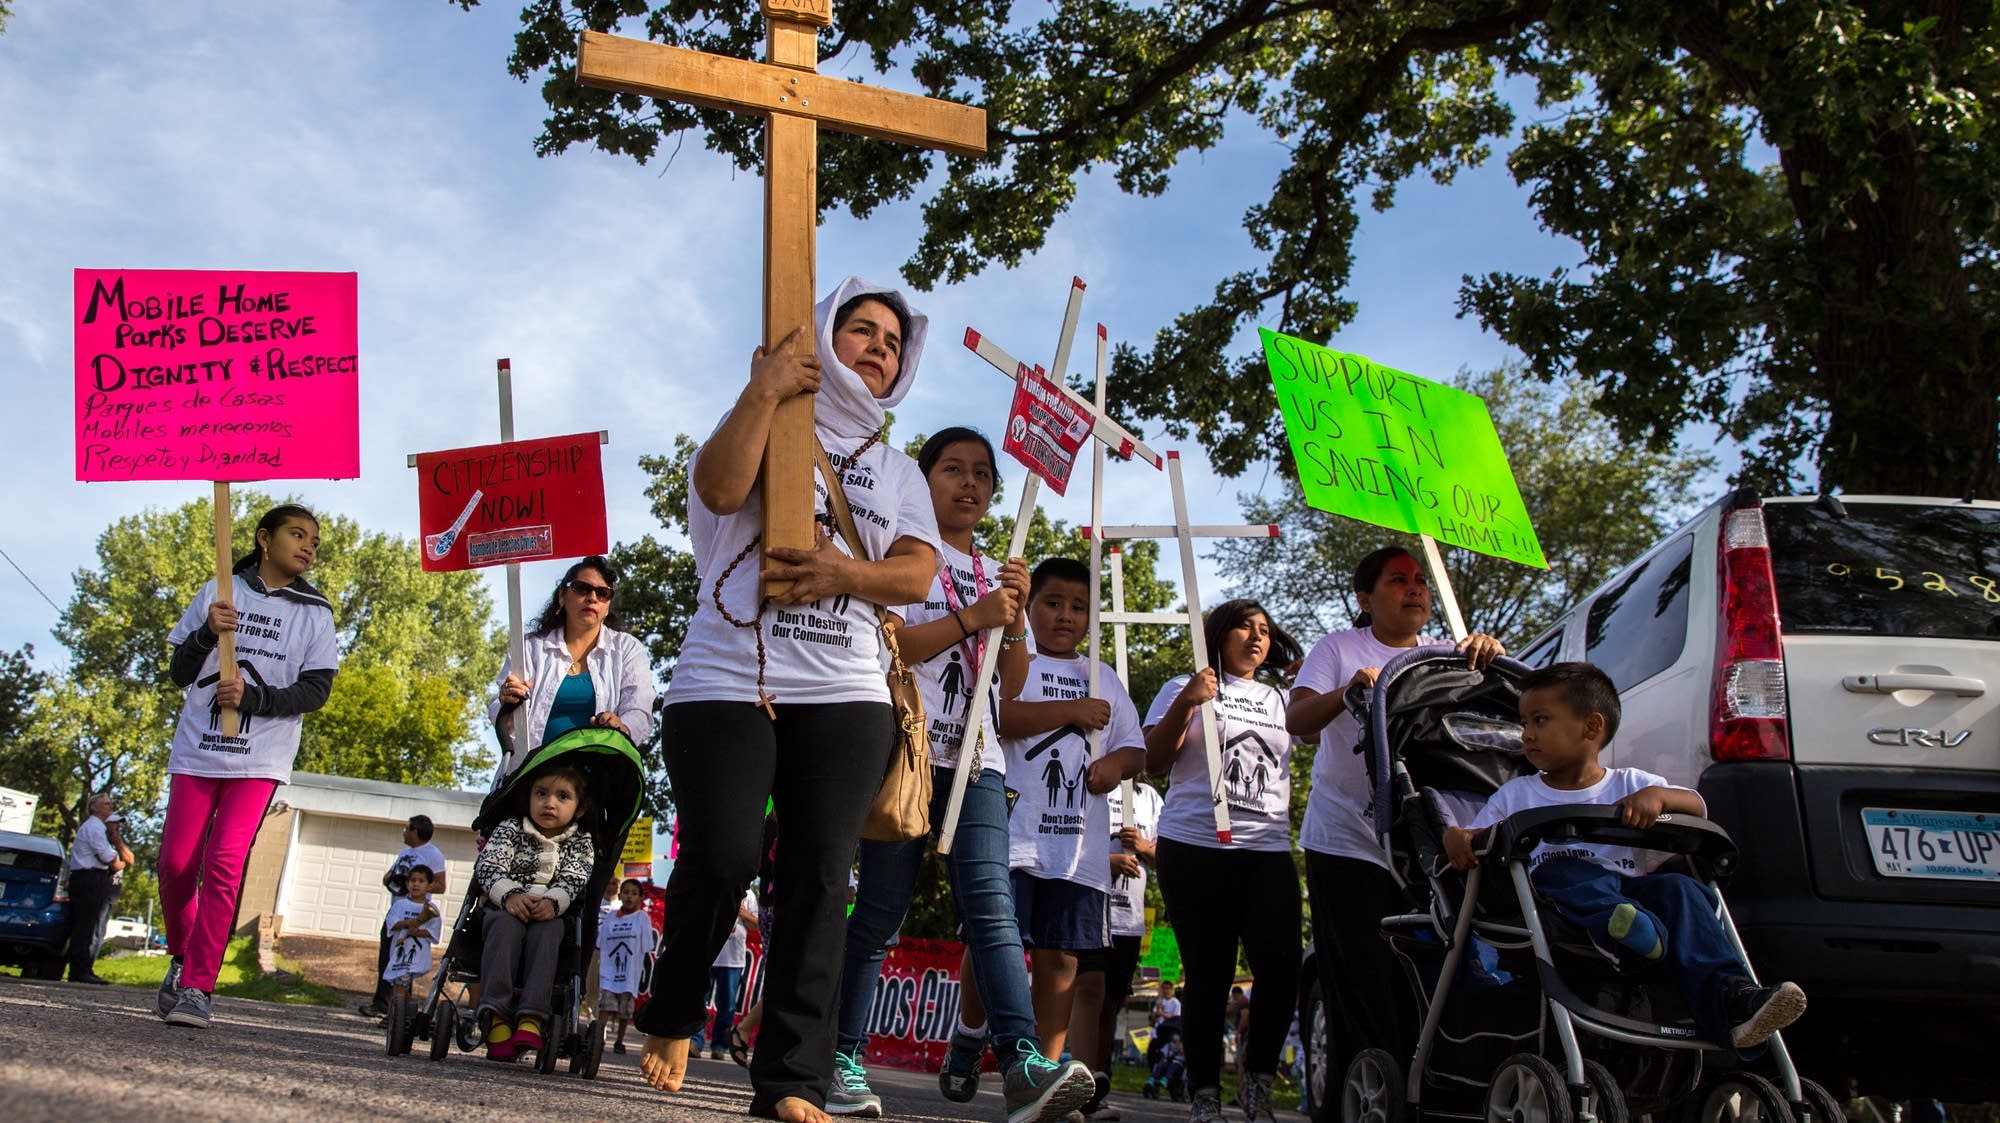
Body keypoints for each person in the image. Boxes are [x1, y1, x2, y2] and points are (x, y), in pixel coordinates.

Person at [638, 278, 943, 1123]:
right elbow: (718, 489)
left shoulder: (897, 470)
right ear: (821, 336)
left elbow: (917, 573)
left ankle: (791, 1079)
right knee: (724, 851)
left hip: (847, 688)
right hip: (729, 673)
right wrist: (765, 389)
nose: (879, 348)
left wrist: (845, 572)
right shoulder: (763, 413)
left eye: (893, 342)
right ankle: (673, 1008)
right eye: (861, 329)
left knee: (819, 875)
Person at [829, 428, 1095, 1122]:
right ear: (923, 480)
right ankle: (841, 1057)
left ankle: (1022, 1063)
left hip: (979, 763)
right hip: (908, 753)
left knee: (993, 912)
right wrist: (972, 616)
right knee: (881, 911)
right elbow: (893, 645)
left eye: (981, 473)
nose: (968, 483)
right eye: (952, 469)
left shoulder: (999, 572)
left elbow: (1011, 684)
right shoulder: (905, 554)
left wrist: (1014, 618)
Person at [1444, 662, 1808, 1053]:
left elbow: (1696, 809)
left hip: (1635, 898)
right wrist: (1456, 835)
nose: (1527, 734)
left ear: (1591, 727)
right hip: (1560, 914)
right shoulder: (1517, 795)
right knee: (1557, 869)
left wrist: (1659, 798)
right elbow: (1476, 838)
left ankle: (1733, 999)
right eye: (1524, 722)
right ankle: (1628, 931)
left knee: (1681, 888)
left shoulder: (1631, 784)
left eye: (1540, 720)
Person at [1284, 545, 1503, 1075]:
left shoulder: (1447, 657)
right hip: (1345, 838)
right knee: (1358, 976)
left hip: (1423, 841)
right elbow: (1298, 721)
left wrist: (1486, 651)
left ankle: (1425, 1084)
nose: (1415, 589)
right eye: (1398, 580)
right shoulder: (1338, 648)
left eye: (1420, 580)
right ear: (1365, 599)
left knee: (1426, 970)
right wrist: (1348, 690)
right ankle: (1360, 1089)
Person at [160, 504, 339, 1029]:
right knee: (175, 864)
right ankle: (182, 955)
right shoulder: (220, 591)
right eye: (297, 535)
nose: (307, 547)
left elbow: (316, 691)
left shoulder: (316, 612)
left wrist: (255, 698)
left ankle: (198, 987)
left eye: (314, 541)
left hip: (260, 758)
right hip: (198, 748)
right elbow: (178, 672)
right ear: (264, 538)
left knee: (224, 863)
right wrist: (205, 633)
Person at [1143, 598, 1305, 1123]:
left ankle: (1258, 1084)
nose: (1257, 637)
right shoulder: (1184, 685)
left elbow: (1318, 728)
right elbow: (1153, 760)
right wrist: (1188, 702)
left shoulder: (1280, 699)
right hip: (1195, 846)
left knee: (1282, 968)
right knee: (1209, 974)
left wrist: (1312, 683)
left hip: (1265, 848)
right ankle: (1204, 1095)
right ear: (1219, 633)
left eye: (1265, 630)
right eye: (1244, 627)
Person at [998, 558, 1148, 1075]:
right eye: (1053, 603)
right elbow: (997, 716)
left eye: (1079, 607)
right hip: (1014, 835)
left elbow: (1136, 748)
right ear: (1029, 606)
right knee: (994, 941)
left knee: (1061, 958)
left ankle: (1044, 1070)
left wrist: (1115, 766)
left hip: (1077, 849)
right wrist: (1071, 711)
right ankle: (973, 1033)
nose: (1066, 615)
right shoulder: (1014, 659)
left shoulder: (1101, 676)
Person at [473, 762, 595, 1062]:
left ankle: (532, 1015)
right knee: (505, 926)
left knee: (549, 931)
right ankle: (496, 1015)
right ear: (527, 797)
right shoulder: (510, 829)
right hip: (505, 907)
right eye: (541, 793)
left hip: (549, 913)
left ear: (579, 809)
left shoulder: (581, 841)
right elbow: (489, 866)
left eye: (562, 796)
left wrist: (553, 901)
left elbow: (575, 877)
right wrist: (509, 894)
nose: (549, 803)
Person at [490, 555, 657, 770]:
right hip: (531, 776)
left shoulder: (628, 649)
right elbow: (501, 716)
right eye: (582, 589)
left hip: (598, 778)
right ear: (562, 595)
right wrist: (506, 703)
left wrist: (622, 728)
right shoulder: (529, 648)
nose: (592, 598)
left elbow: (639, 711)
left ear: (608, 606)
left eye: (602, 593)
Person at [1070, 777, 1162, 1120]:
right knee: (1084, 992)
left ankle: (1097, 1085)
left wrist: (1143, 846)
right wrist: (1107, 861)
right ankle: (1069, 1081)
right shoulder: (1090, 781)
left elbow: (1168, 856)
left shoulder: (1150, 798)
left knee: (1110, 1003)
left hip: (1128, 920)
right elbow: (1063, 838)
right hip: (1088, 906)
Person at [361, 815, 449, 1018]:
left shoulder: (433, 854)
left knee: (404, 963)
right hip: (398, 910)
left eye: (407, 828)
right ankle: (382, 1003)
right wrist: (394, 879)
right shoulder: (405, 852)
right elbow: (389, 876)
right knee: (387, 957)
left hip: (417, 913)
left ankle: (399, 1012)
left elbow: (441, 886)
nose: (404, 832)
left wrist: (419, 887)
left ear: (416, 831)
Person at [64, 792, 124, 984]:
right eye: (106, 804)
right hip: (89, 878)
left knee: (87, 925)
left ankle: (83, 968)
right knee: (86, 926)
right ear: (93, 808)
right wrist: (118, 861)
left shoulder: (95, 827)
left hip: (89, 878)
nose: (110, 807)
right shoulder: (94, 828)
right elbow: (108, 858)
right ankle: (80, 970)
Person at [697, 888, 759, 1058]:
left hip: (733, 960)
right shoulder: (715, 885)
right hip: (709, 956)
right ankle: (695, 1041)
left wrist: (743, 914)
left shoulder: (749, 895)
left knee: (728, 1005)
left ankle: (719, 1046)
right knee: (699, 999)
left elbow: (755, 925)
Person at [598, 878, 658, 1054]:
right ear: (620, 895)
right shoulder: (611, 917)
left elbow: (647, 946)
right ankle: (599, 1038)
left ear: (640, 897)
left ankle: (619, 1041)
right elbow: (600, 943)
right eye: (625, 893)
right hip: (609, 970)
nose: (629, 897)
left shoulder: (642, 918)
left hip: (630, 972)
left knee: (625, 1009)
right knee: (605, 1005)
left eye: (633, 893)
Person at [382, 864, 442, 992]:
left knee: (400, 984)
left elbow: (433, 932)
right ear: (407, 884)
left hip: (417, 954)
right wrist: (407, 923)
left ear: (430, 886)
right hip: (399, 952)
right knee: (401, 985)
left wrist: (418, 932)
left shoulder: (431, 908)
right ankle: (402, 1003)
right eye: (413, 880)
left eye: (421, 881)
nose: (416, 884)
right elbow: (392, 924)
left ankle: (398, 1004)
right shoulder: (400, 904)